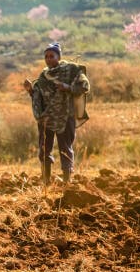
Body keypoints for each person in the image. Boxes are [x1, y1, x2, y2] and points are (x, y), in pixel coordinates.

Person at [23, 42, 90, 185]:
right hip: (47, 117)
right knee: (44, 148)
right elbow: (38, 97)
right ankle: (46, 180)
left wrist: (67, 87)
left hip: (66, 116)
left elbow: (84, 86)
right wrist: (30, 90)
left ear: (58, 57)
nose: (48, 59)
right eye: (46, 56)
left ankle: (67, 182)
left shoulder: (71, 70)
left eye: (51, 56)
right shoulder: (43, 76)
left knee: (65, 148)